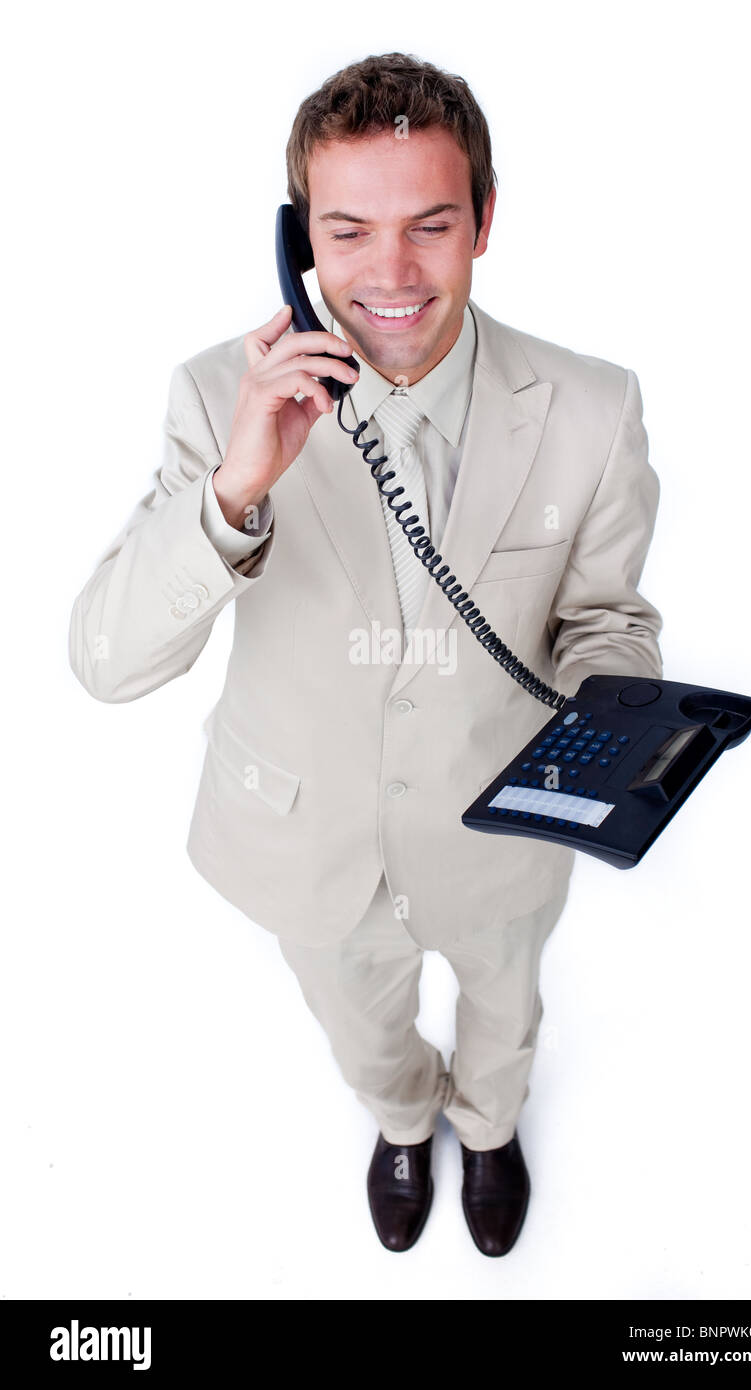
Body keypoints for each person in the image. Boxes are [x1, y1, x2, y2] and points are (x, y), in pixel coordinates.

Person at [69, 51, 664, 1257]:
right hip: (303, 838)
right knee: (360, 1022)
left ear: (485, 222)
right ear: (299, 239)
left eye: (430, 225)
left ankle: (489, 1124)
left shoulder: (594, 408)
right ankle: (403, 1118)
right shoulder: (215, 399)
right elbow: (105, 661)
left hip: (502, 832)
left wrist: (622, 721)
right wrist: (237, 489)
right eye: (347, 231)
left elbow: (608, 616)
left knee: (506, 1005)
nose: (389, 276)